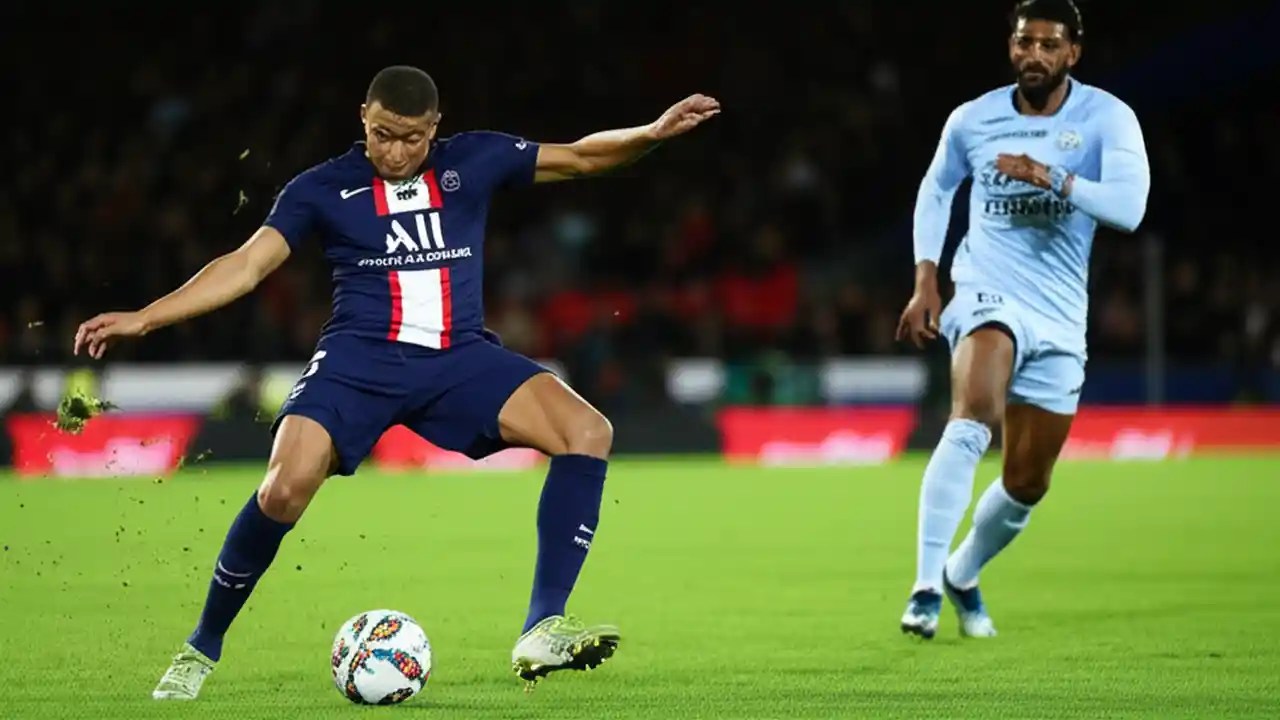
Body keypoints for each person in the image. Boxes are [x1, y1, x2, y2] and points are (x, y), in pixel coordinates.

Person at [73, 65, 720, 697]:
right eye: (384, 133)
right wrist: (145, 318)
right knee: (284, 488)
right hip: (360, 361)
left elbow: (580, 158)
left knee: (587, 429)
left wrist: (652, 134)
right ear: (364, 117)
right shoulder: (322, 189)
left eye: (413, 137)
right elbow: (245, 267)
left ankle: (542, 626)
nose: (397, 150)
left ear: (436, 128)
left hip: (457, 357)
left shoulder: (474, 161)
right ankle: (201, 647)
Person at [895, 0, 1150, 639]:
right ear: (1011, 47)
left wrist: (1048, 175)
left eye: (1048, 45)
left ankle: (961, 572)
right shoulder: (973, 119)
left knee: (1027, 482)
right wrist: (927, 278)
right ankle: (925, 586)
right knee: (974, 412)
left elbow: (1127, 208)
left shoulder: (1107, 117)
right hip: (986, 289)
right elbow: (936, 188)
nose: (1033, 55)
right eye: (1023, 42)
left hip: (1060, 315)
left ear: (1073, 54)